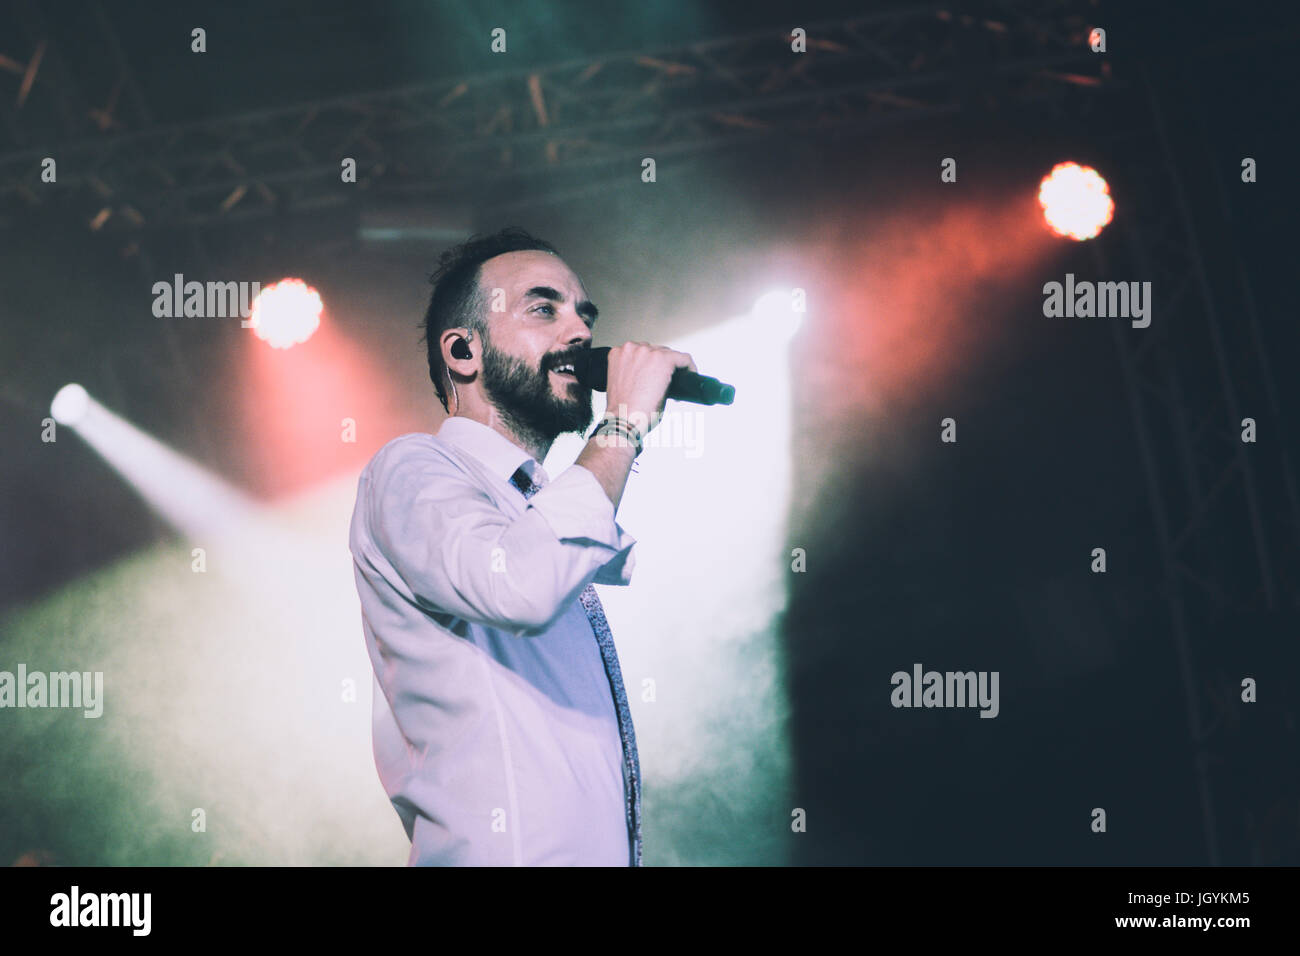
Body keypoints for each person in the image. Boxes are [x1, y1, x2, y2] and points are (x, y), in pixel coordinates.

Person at [348, 228, 695, 866]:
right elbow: (522, 586)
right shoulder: (408, 470)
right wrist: (620, 424)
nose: (580, 333)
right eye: (544, 309)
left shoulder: (535, 509)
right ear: (463, 350)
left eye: (584, 315)